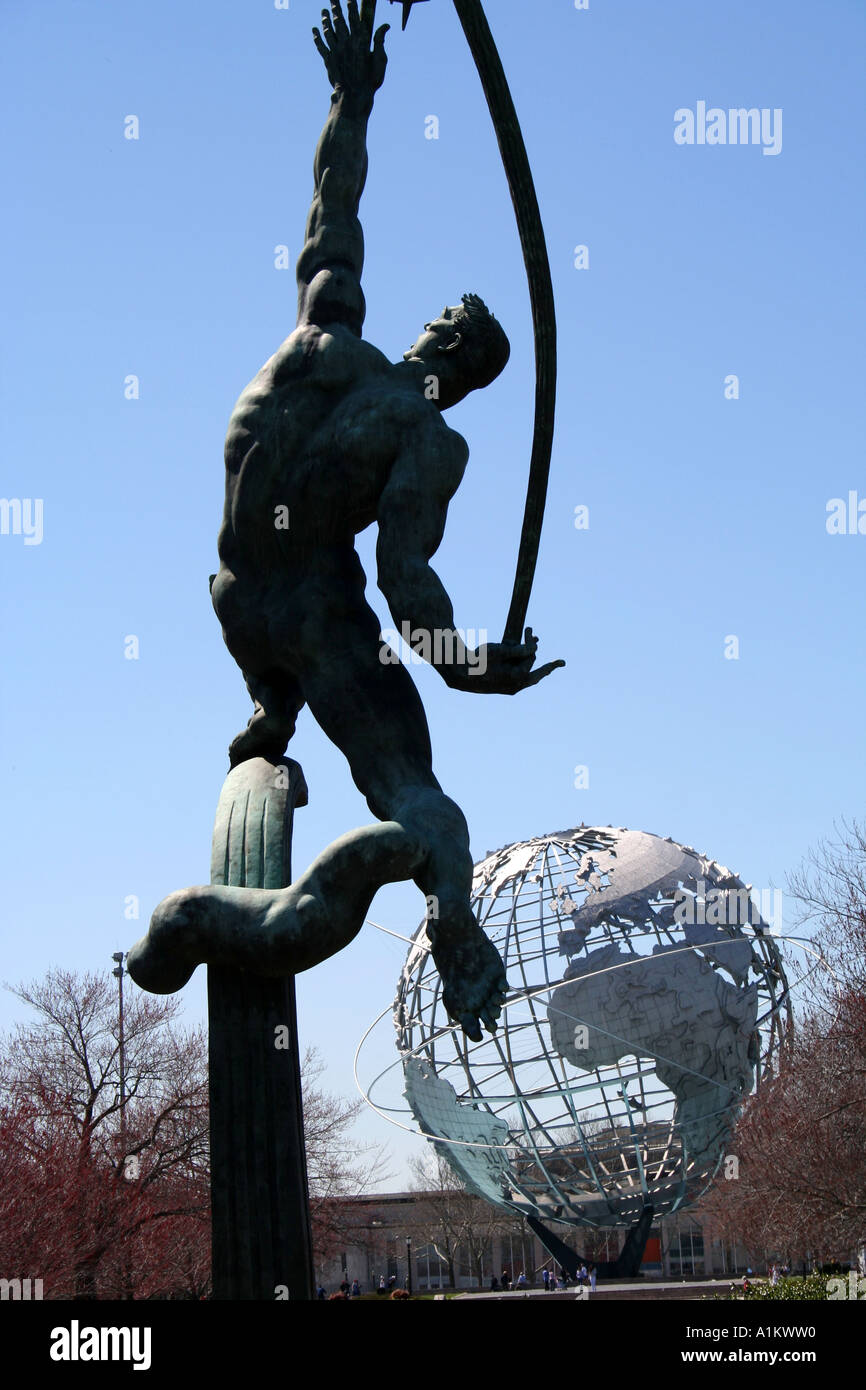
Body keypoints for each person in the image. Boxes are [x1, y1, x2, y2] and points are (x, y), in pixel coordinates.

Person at [127, 0, 563, 1041]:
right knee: (430, 812)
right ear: (468, 382)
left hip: (236, 600)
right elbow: (408, 592)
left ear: (430, 337)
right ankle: (433, 913)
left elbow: (335, 199)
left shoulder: (325, 329)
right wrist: (472, 669)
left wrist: (352, 95)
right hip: (319, 618)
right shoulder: (430, 443)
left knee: (284, 626)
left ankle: (268, 705)